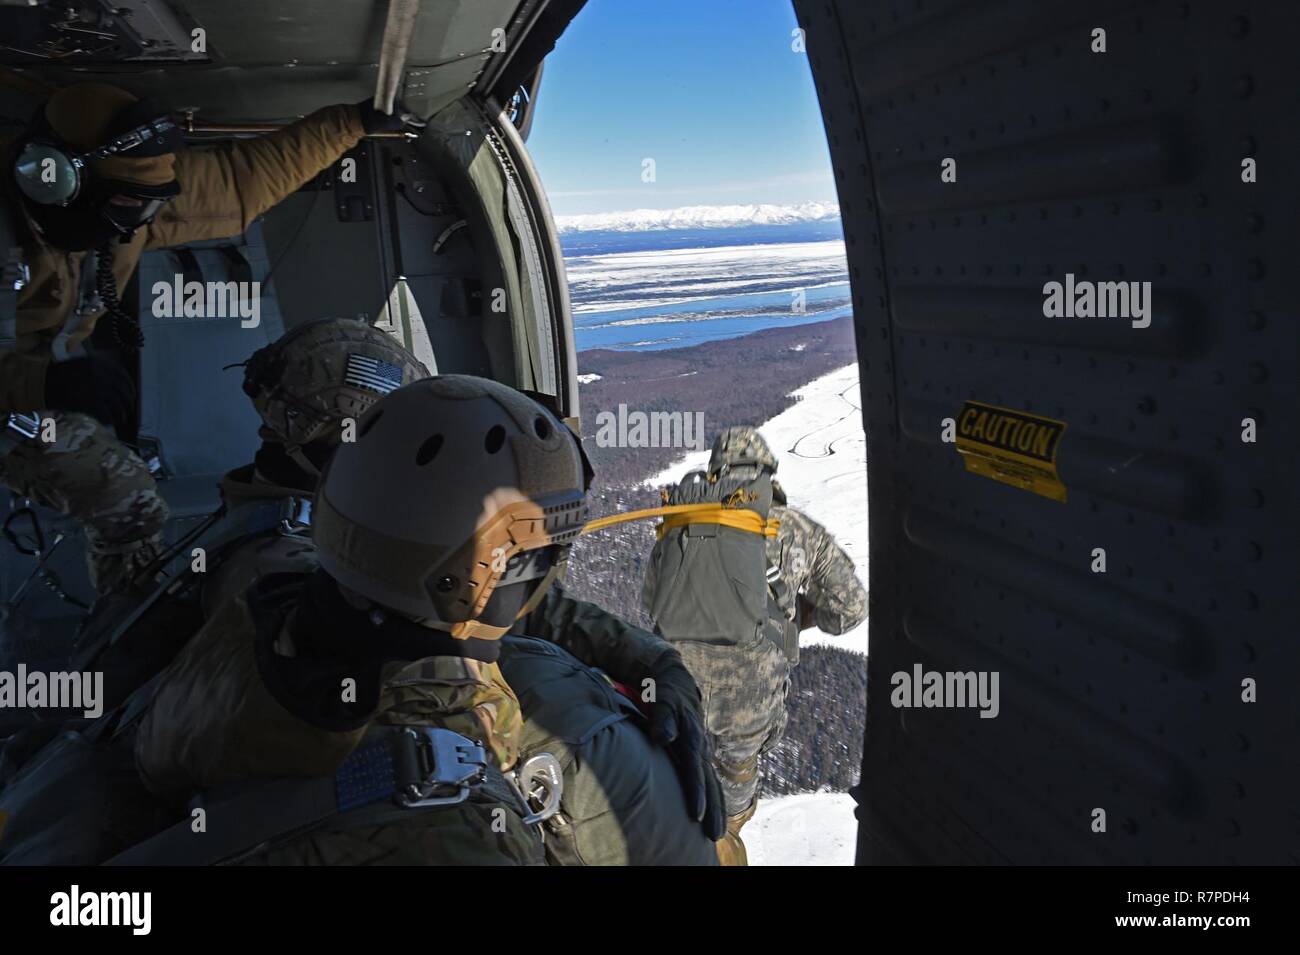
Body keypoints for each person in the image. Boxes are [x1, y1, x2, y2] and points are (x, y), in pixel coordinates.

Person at [0, 82, 409, 593]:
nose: (139, 226)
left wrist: (354, 123)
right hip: (19, 388)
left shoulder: (127, 199)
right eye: (129, 205)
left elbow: (242, 182)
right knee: (125, 497)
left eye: (149, 207)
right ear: (52, 180)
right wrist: (40, 384)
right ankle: (132, 639)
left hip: (37, 380)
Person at [643, 425, 866, 865]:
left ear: (714, 471)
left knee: (673, 775)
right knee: (733, 783)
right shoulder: (796, 529)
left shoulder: (680, 524)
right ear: (767, 472)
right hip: (748, 699)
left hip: (673, 684)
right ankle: (724, 842)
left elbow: (652, 602)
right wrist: (798, 619)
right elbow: (850, 609)